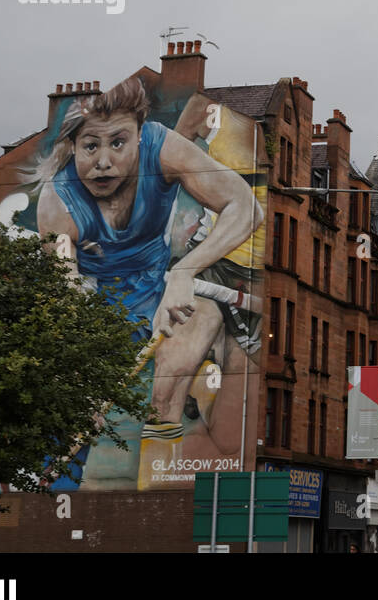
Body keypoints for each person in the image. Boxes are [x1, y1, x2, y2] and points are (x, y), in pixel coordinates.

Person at [29, 76, 262, 488]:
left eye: (117, 143)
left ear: (138, 138)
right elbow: (66, 298)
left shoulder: (160, 145)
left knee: (166, 392)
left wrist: (186, 271)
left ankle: (159, 499)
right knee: (71, 425)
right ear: (72, 147)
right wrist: (84, 375)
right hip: (96, 311)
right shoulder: (57, 202)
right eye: (90, 147)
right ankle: (52, 500)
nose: (103, 160)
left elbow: (245, 206)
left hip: (164, 288)